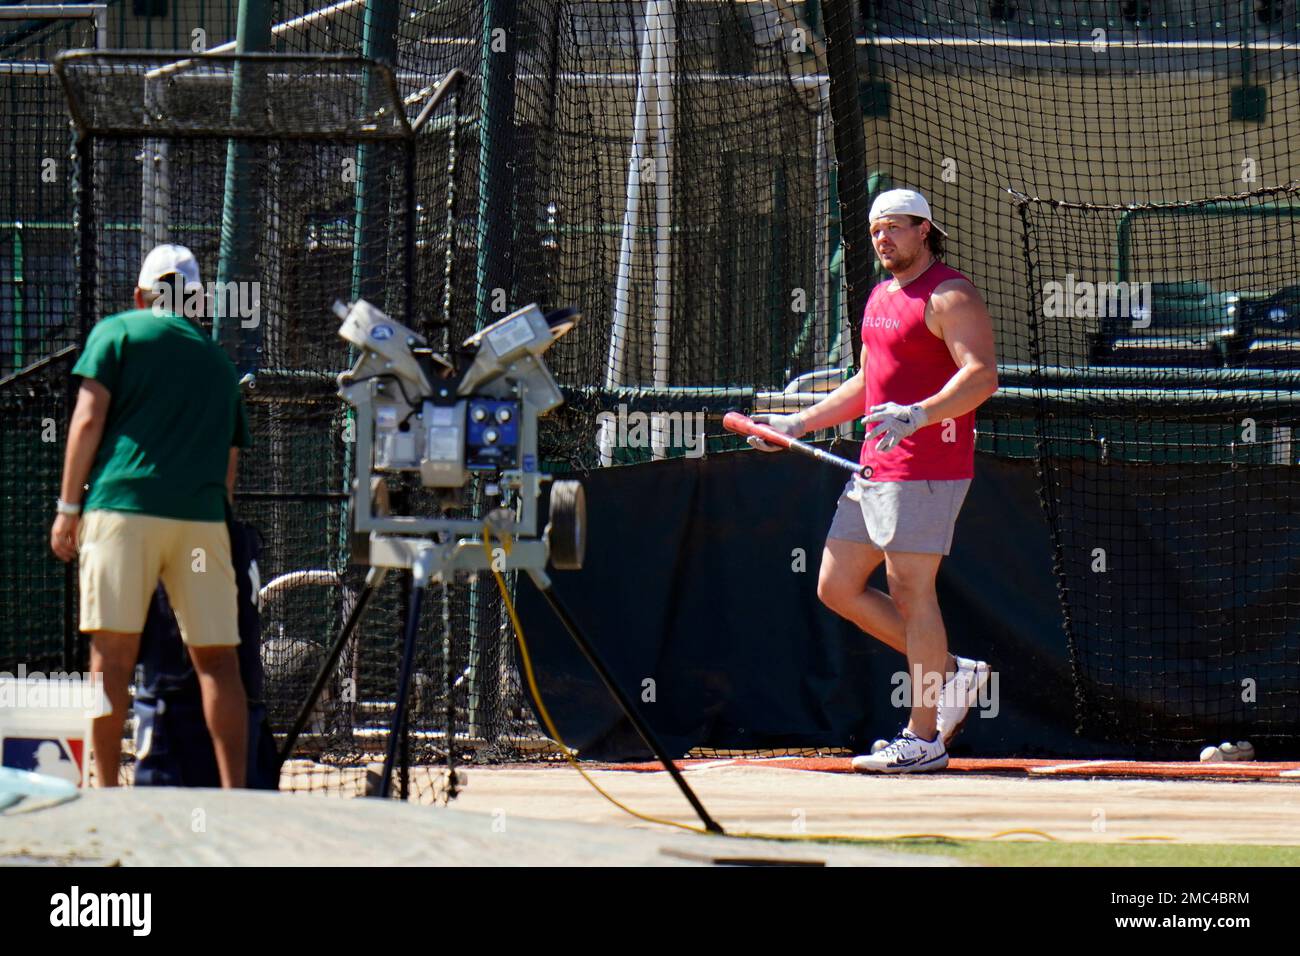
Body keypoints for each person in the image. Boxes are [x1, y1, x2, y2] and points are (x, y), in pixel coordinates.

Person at [751, 189, 999, 772]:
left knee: (912, 592)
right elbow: (869, 383)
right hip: (875, 465)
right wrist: (798, 422)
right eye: (874, 231)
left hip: (928, 465)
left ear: (924, 230)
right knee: (837, 587)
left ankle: (923, 737)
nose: (882, 239)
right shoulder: (880, 296)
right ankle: (952, 673)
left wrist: (918, 414)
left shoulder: (949, 294)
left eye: (893, 228)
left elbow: (982, 376)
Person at [49, 243, 252, 788]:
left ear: (139, 294)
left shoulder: (117, 332)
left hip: (123, 512)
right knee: (218, 662)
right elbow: (229, 464)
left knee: (111, 658)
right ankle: (238, 801)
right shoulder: (217, 361)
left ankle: (108, 794)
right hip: (201, 523)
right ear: (197, 301)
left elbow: (88, 420)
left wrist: (68, 508)